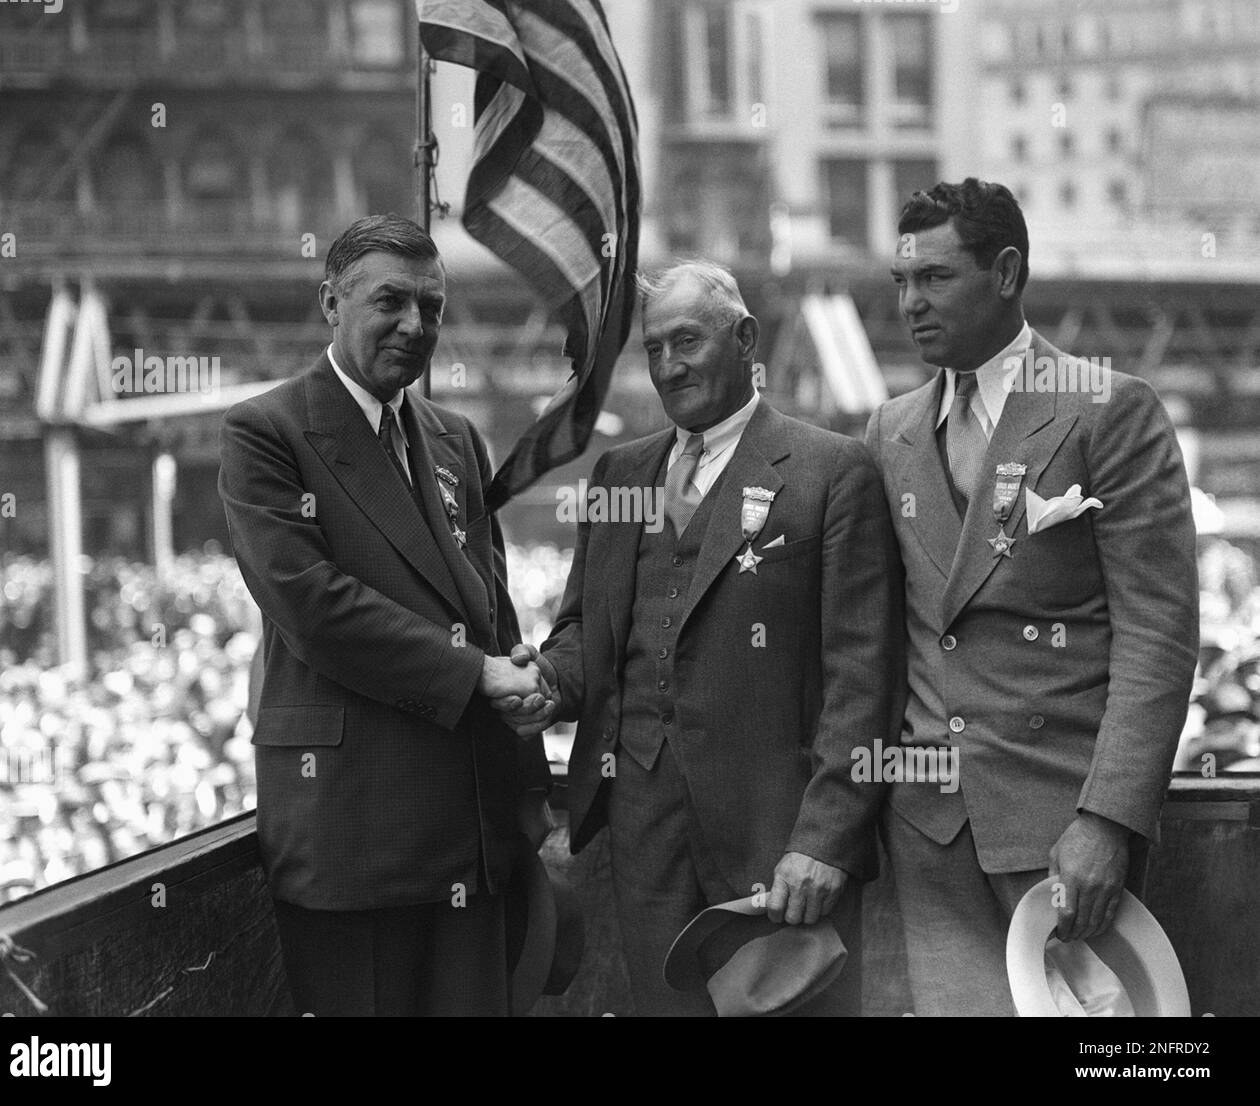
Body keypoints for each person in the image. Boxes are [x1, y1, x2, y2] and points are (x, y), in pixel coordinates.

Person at [500, 260, 904, 1015]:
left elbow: (864, 678)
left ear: (746, 338)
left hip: (780, 843)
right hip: (642, 837)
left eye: (686, 341)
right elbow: (586, 629)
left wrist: (824, 840)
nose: (667, 365)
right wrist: (547, 680)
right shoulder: (622, 474)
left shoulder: (830, 470)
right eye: (653, 349)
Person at [867, 179, 1198, 1016]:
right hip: (929, 834)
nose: (911, 303)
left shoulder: (1109, 411)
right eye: (902, 282)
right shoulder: (889, 432)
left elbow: (1158, 639)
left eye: (936, 279)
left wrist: (1109, 820)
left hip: (1064, 835)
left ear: (1007, 271)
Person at [218, 214, 552, 1016]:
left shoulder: (455, 440)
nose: (415, 325)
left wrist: (527, 676)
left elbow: (489, 605)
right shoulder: (268, 432)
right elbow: (316, 607)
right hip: (356, 836)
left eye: (432, 308)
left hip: (471, 828)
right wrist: (480, 674)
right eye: (390, 302)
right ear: (330, 303)